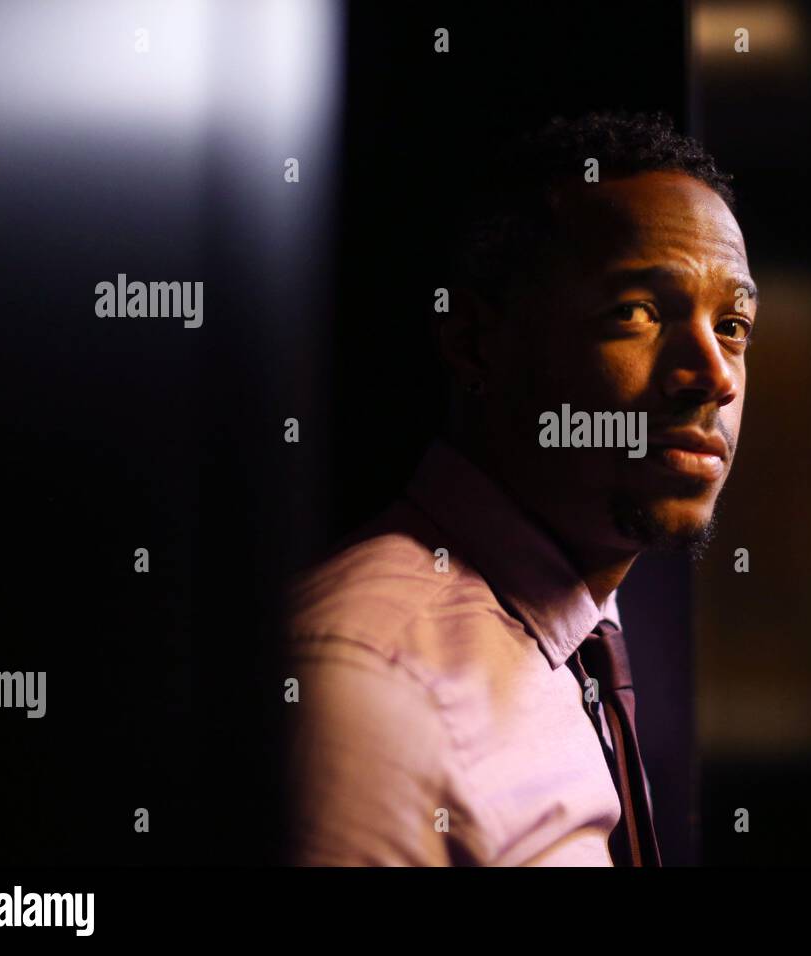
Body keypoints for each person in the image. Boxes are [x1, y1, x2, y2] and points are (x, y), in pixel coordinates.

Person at [285, 110, 758, 866]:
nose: (714, 375)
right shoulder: (367, 681)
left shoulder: (582, 639)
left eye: (732, 324)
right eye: (637, 312)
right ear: (476, 342)